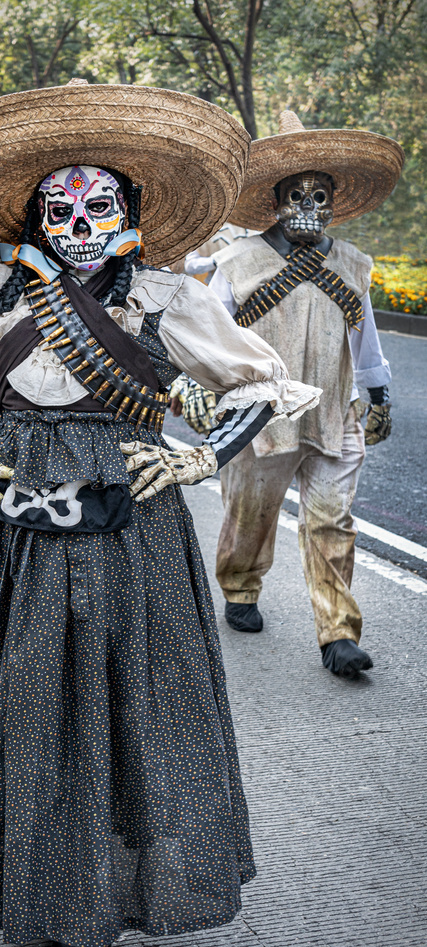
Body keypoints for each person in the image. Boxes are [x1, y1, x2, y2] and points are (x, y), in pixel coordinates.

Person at [0, 81, 320, 947]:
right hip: (23, 532)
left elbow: (258, 383)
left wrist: (201, 457)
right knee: (29, 700)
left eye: (98, 206)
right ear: (35, 215)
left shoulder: (164, 294)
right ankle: (41, 884)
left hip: (135, 530)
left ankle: (100, 897)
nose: (78, 224)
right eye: (60, 208)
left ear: (130, 211)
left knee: (134, 703)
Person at [190, 110, 403, 678]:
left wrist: (378, 392)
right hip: (259, 416)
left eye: (320, 194)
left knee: (333, 522)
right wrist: (195, 386)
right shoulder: (238, 262)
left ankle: (338, 634)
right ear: (276, 200)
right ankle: (240, 586)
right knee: (249, 517)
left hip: (335, 412)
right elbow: (206, 334)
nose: (309, 204)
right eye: (297, 193)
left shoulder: (352, 264)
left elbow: (365, 336)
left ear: (334, 202)